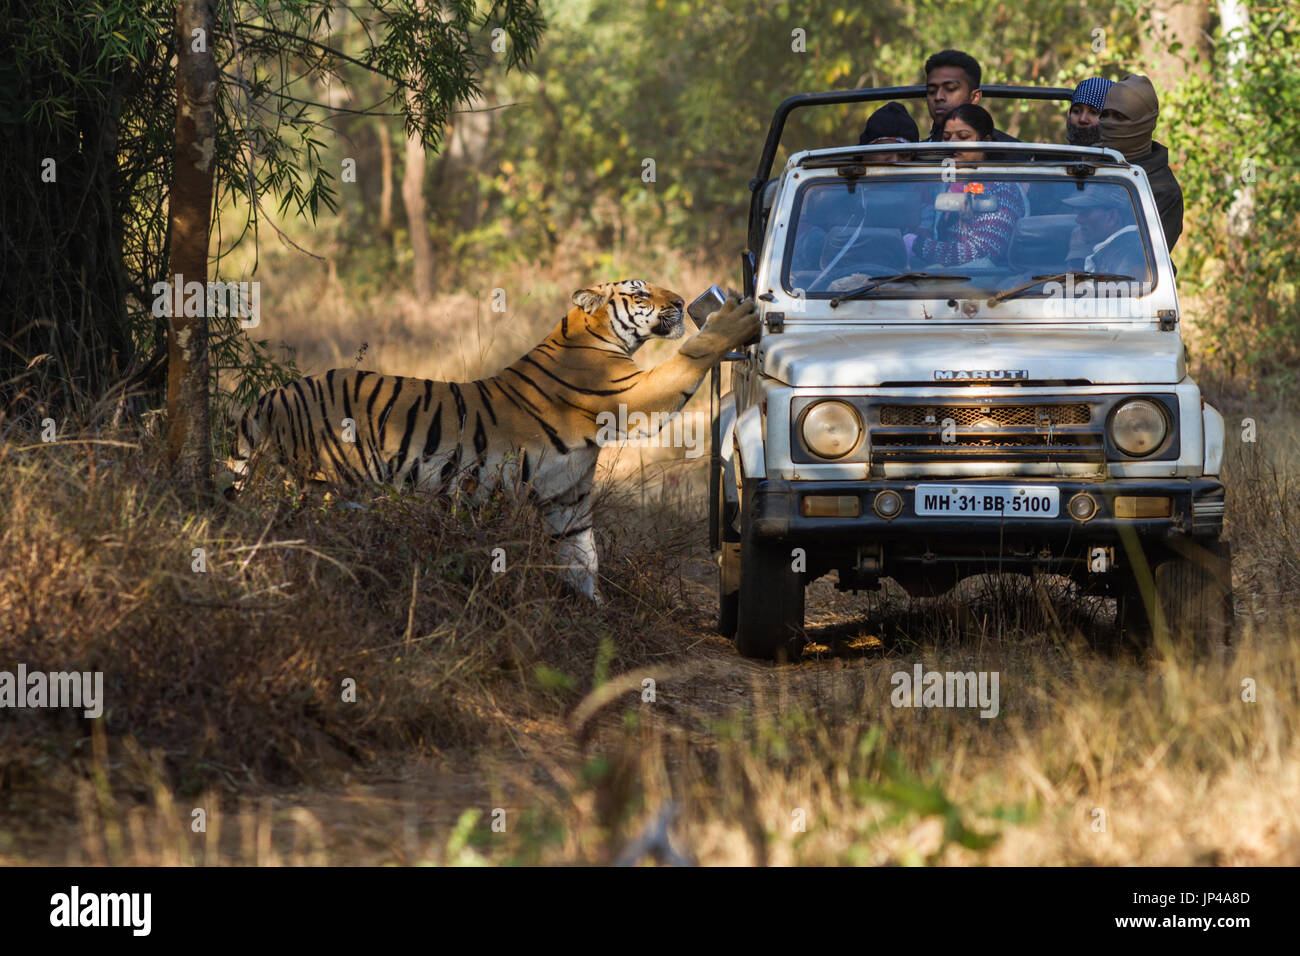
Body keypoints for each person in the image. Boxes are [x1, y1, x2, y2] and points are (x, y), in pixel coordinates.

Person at [905, 104, 1026, 268]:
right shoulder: (943, 185)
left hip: (988, 286)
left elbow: (983, 254)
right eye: (947, 138)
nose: (952, 144)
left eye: (963, 136)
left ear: (987, 143)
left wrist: (917, 245)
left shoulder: (1002, 189)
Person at [1100, 73, 1183, 251]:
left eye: (1119, 117)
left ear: (1144, 123)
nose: (1108, 123)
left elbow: (1143, 258)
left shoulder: (1163, 191)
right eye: (1105, 115)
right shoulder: (1089, 162)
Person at [922, 50, 1020, 146]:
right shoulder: (915, 152)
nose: (938, 97)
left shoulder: (1012, 152)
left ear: (974, 97)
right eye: (931, 91)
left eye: (950, 88)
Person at [1062, 189, 1147, 277]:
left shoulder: (1128, 256)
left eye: (1086, 212)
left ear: (1111, 217)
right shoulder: (1126, 248)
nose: (1078, 219)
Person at [1066, 76, 1112, 146]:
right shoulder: (1056, 153)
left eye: (1093, 112)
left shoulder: (1117, 156)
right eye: (1076, 111)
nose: (1082, 119)